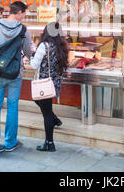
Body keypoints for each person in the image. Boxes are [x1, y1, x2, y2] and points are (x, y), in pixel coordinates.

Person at [0, 1, 32, 156]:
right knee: (12, 106)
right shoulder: (24, 30)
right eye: (24, 14)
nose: (24, 17)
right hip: (15, 74)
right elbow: (28, 52)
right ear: (20, 12)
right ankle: (10, 142)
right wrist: (33, 57)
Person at [30, 22, 69, 152]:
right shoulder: (62, 46)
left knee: (46, 113)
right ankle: (55, 119)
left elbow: (35, 65)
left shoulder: (44, 46)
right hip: (55, 82)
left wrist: (31, 56)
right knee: (39, 102)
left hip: (44, 83)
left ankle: (49, 143)